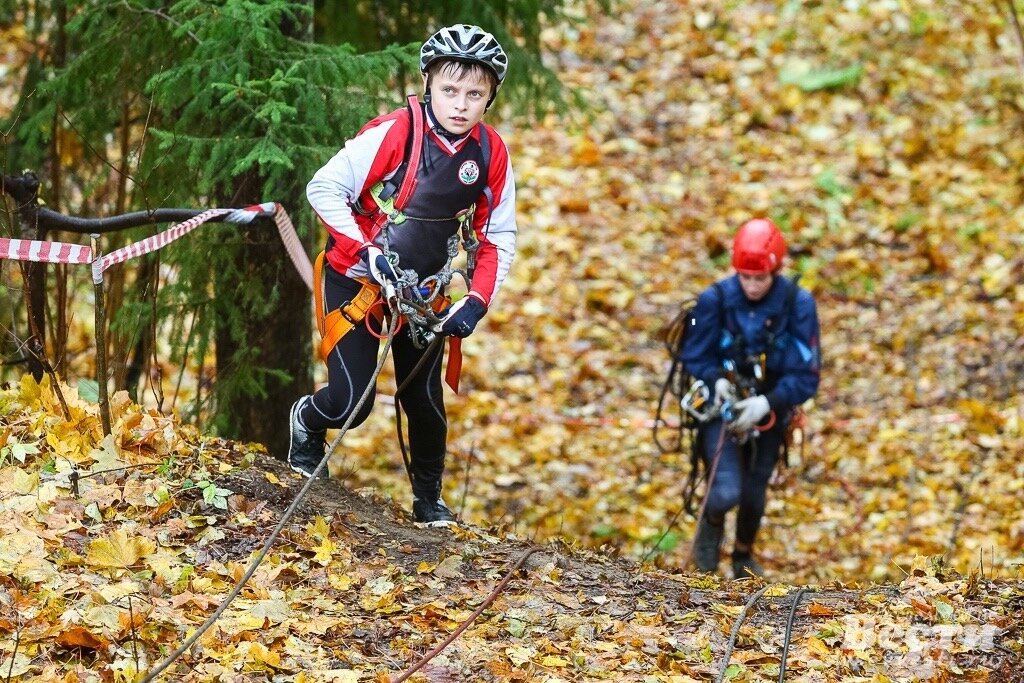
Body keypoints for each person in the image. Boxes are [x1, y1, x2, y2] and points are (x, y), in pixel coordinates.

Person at [288, 24, 517, 527]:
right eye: (450, 89)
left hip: (424, 293)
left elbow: (497, 235)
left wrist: (476, 301)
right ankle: (307, 420)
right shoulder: (394, 133)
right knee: (353, 403)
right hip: (358, 281)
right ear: (428, 83)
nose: (460, 104)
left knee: (426, 401)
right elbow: (323, 188)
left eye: (474, 94)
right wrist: (368, 252)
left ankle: (429, 502)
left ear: (490, 98)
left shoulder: (491, 154)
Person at [679, 218, 820, 577]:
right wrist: (715, 381)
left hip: (772, 407)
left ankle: (742, 557)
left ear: (776, 270)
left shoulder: (798, 304)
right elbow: (693, 352)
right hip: (720, 407)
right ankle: (709, 529)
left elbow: (807, 374)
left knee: (755, 492)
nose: (753, 286)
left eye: (761, 278)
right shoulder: (714, 300)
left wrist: (767, 402)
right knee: (727, 490)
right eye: (746, 278)